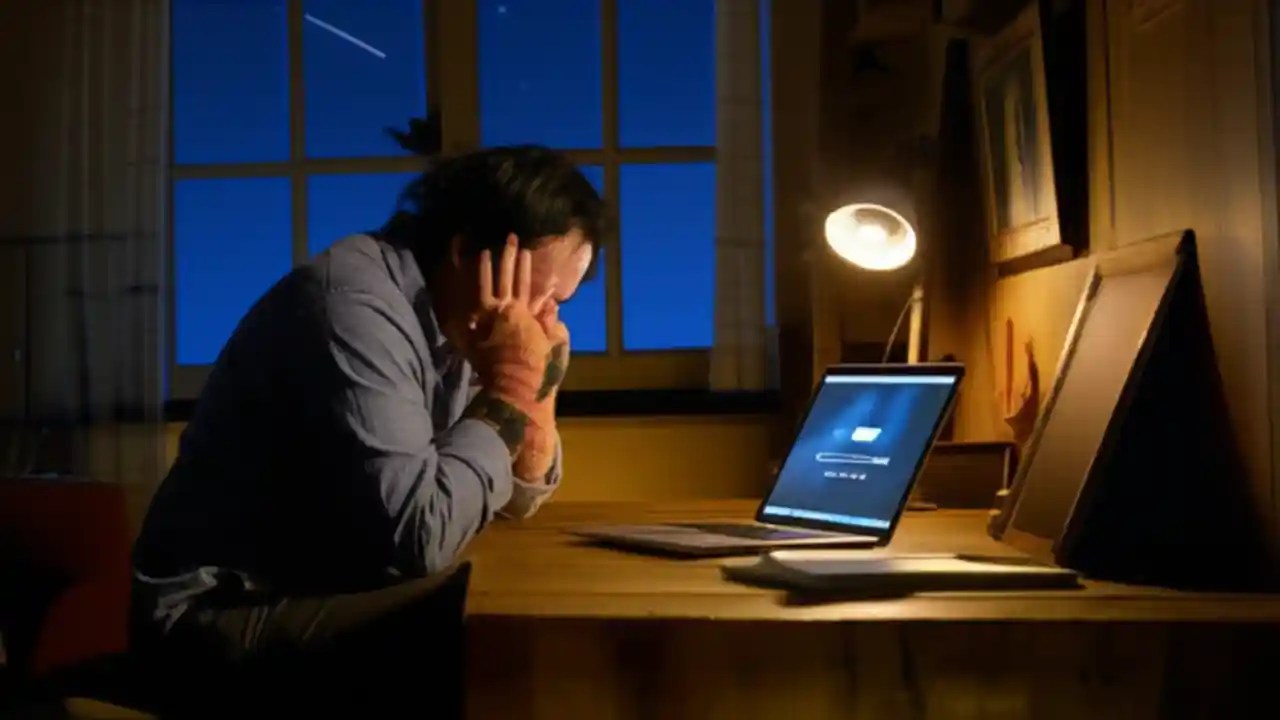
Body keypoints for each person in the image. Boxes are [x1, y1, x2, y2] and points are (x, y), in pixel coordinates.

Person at [129, 135, 606, 714]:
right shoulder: (352, 308)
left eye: (562, 302)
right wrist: (510, 381)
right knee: (496, 628)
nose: (546, 317)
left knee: (523, 594)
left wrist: (537, 386)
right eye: (540, 294)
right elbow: (420, 535)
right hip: (217, 617)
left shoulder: (467, 318)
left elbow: (518, 497)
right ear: (467, 254)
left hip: (327, 583)